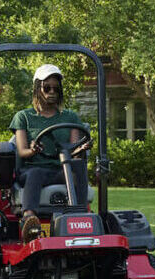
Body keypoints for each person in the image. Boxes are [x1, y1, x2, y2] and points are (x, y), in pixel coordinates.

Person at [10, 64, 92, 243]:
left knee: (78, 167)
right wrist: (33, 150)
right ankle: (29, 220)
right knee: (36, 173)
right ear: (37, 89)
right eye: (47, 88)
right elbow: (22, 151)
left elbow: (73, 150)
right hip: (32, 169)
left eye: (56, 88)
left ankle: (81, 216)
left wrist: (81, 148)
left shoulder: (70, 117)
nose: (52, 92)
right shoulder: (24, 117)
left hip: (60, 170)